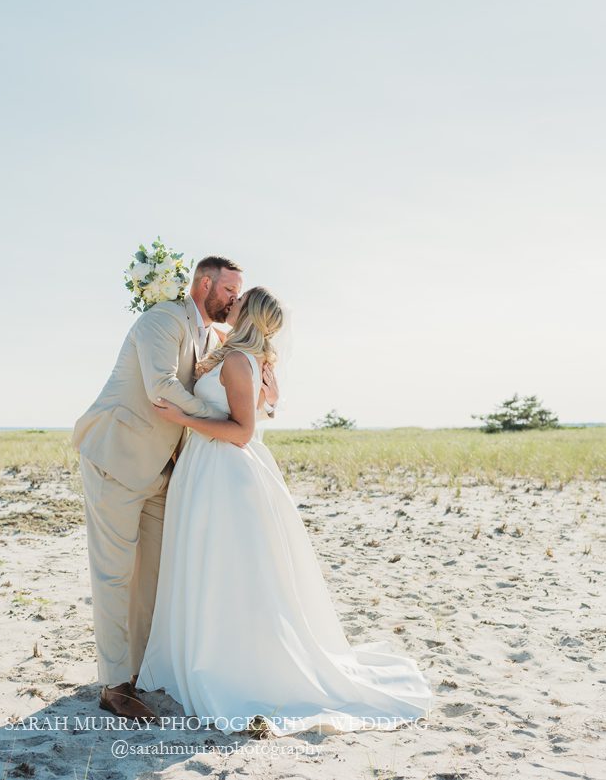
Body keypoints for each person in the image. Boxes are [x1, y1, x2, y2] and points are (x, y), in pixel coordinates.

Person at [138, 286, 433, 736]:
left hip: (225, 470)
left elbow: (241, 432)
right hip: (205, 467)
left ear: (249, 312)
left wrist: (182, 420)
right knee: (208, 566)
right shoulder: (233, 354)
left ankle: (231, 665)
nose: (230, 303)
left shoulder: (239, 361)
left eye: (238, 300)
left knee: (230, 571)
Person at [71, 256, 279, 721]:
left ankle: (142, 670)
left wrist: (266, 386)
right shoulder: (162, 319)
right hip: (117, 458)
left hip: (167, 470)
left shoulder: (211, 336)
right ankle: (115, 684)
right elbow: (161, 386)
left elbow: (247, 370)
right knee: (115, 575)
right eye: (229, 290)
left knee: (156, 577)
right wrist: (223, 425)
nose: (234, 298)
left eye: (238, 293)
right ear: (204, 283)